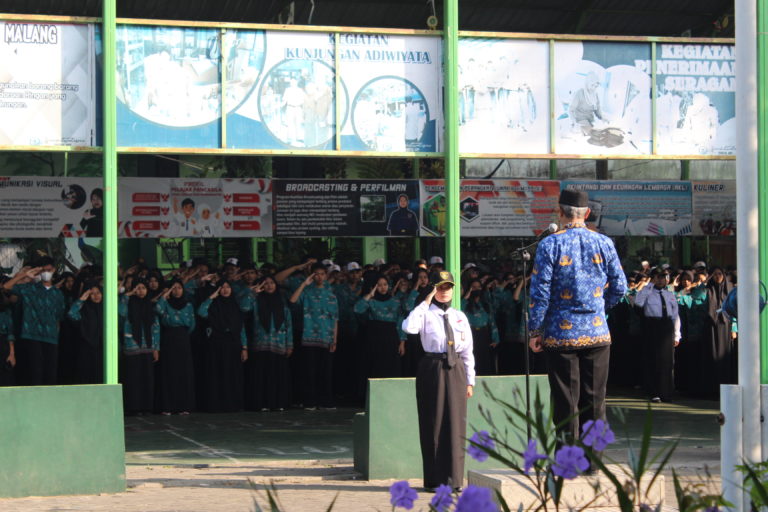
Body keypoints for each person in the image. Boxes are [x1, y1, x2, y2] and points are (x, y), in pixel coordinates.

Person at [528, 190, 627, 458]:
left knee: (565, 401)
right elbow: (621, 286)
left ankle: (567, 461)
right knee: (595, 399)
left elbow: (540, 292)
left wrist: (535, 330)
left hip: (560, 334)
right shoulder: (604, 243)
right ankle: (594, 461)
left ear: (559, 212)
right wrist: (600, 307)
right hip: (597, 333)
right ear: (587, 214)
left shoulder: (550, 244)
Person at [401, 270, 475, 492]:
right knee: (433, 422)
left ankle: (454, 479)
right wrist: (425, 301)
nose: (445, 292)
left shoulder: (459, 316)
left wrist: (470, 380)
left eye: (448, 287)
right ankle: (434, 480)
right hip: (432, 367)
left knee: (456, 423)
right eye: (440, 287)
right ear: (433, 289)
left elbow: (468, 351)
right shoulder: (424, 313)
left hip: (457, 369)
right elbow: (408, 327)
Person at [3, 259, 67, 386]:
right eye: (43, 270)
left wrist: (56, 336)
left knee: (51, 376)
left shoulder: (58, 294)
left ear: (54, 270)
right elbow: (6, 287)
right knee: (35, 374)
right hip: (32, 337)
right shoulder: (29, 289)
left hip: (51, 339)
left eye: (48, 270)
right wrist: (24, 275)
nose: (46, 273)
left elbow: (58, 318)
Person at [289, 263, 338, 410]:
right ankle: (309, 401)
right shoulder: (306, 292)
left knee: (326, 371)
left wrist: (334, 339)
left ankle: (325, 400)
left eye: (322, 274)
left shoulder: (331, 295)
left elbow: (335, 319)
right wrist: (304, 283)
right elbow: (292, 301)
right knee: (309, 371)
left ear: (326, 276)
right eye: (316, 274)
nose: (319, 277)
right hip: (308, 337)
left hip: (325, 337)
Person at [242, 276, 293, 411]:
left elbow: (288, 324)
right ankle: (262, 403)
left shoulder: (282, 302)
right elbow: (244, 308)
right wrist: (253, 293)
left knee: (278, 376)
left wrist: (290, 344)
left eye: (272, 283)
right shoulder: (256, 301)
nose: (269, 286)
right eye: (266, 283)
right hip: (261, 344)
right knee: (261, 376)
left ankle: (278, 403)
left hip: (279, 345)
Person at [197, 280, 248, 412]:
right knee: (217, 374)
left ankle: (233, 404)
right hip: (216, 344)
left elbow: (241, 328)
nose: (225, 290)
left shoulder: (236, 305)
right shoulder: (214, 305)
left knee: (233, 374)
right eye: (222, 287)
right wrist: (211, 297)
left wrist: (244, 348)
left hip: (233, 344)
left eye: (228, 287)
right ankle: (217, 405)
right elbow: (201, 312)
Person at [633, 268, 681, 403]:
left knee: (667, 361)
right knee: (653, 359)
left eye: (663, 277)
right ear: (653, 278)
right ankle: (653, 392)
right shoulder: (646, 292)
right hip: (653, 326)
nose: (661, 280)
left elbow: (675, 315)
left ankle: (666, 392)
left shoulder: (669, 294)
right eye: (658, 277)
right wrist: (649, 286)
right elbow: (638, 304)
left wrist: (677, 334)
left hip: (667, 327)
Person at [154, 279, 196, 414]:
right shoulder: (165, 303)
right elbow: (157, 310)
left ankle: (183, 406)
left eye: (179, 288)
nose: (177, 291)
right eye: (174, 288)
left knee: (183, 371)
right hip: (169, 338)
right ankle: (168, 406)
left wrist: (182, 333)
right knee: (169, 371)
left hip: (183, 339)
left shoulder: (188, 305)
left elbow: (192, 324)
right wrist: (164, 296)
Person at [119, 279, 160, 415]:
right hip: (132, 347)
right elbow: (120, 311)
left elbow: (155, 328)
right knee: (133, 379)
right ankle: (133, 407)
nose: (141, 291)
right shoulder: (128, 304)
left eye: (143, 288)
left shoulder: (150, 305)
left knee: (147, 378)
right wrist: (128, 295)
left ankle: (146, 407)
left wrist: (156, 348)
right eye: (138, 288)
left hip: (148, 347)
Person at [354, 274, 406, 379]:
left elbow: (400, 322)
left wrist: (402, 342)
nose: (383, 288)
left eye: (385, 284)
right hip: (374, 338)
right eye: (379, 285)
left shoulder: (395, 301)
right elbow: (357, 309)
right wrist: (370, 294)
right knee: (375, 367)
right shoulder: (371, 301)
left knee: (390, 367)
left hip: (391, 338)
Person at [67, 283, 104, 384]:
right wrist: (82, 299)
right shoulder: (84, 310)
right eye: (92, 294)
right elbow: (71, 314)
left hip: (103, 348)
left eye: (98, 293)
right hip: (87, 348)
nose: (96, 296)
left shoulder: (107, 309)